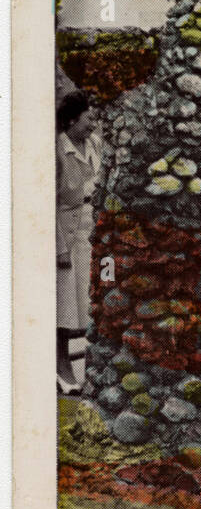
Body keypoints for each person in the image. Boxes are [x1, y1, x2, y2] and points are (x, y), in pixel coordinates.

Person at [56, 90, 101, 394]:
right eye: (89, 118)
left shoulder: (95, 145)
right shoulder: (57, 150)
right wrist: (59, 248)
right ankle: (62, 368)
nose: (93, 125)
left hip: (92, 229)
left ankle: (94, 366)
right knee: (63, 307)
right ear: (72, 118)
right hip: (67, 230)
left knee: (88, 304)